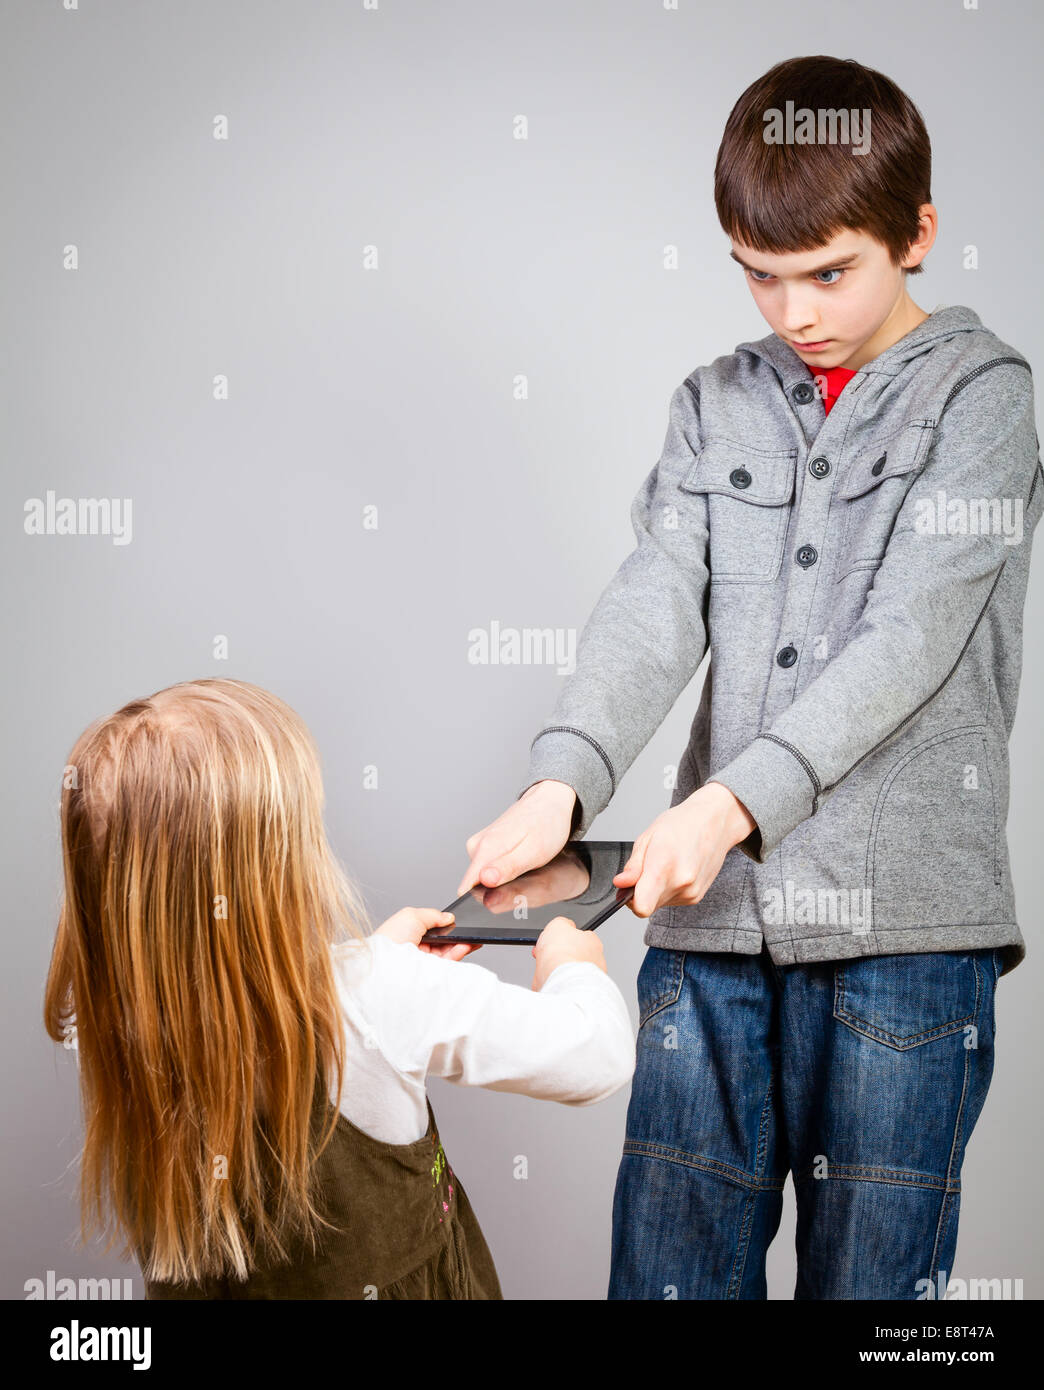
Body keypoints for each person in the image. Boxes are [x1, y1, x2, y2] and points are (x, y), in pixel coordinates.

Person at [458, 55, 1041, 1299]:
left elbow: (912, 639)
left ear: (918, 234)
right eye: (761, 276)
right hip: (709, 931)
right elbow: (656, 601)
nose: (795, 313)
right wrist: (561, 786)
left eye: (830, 271)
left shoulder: (985, 403)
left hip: (906, 941)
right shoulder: (714, 403)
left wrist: (727, 805)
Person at [44, 678, 634, 1299]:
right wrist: (574, 964)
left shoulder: (97, 1014)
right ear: (275, 867)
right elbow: (597, 1058)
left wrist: (372, 958)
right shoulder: (384, 995)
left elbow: (235, 985)